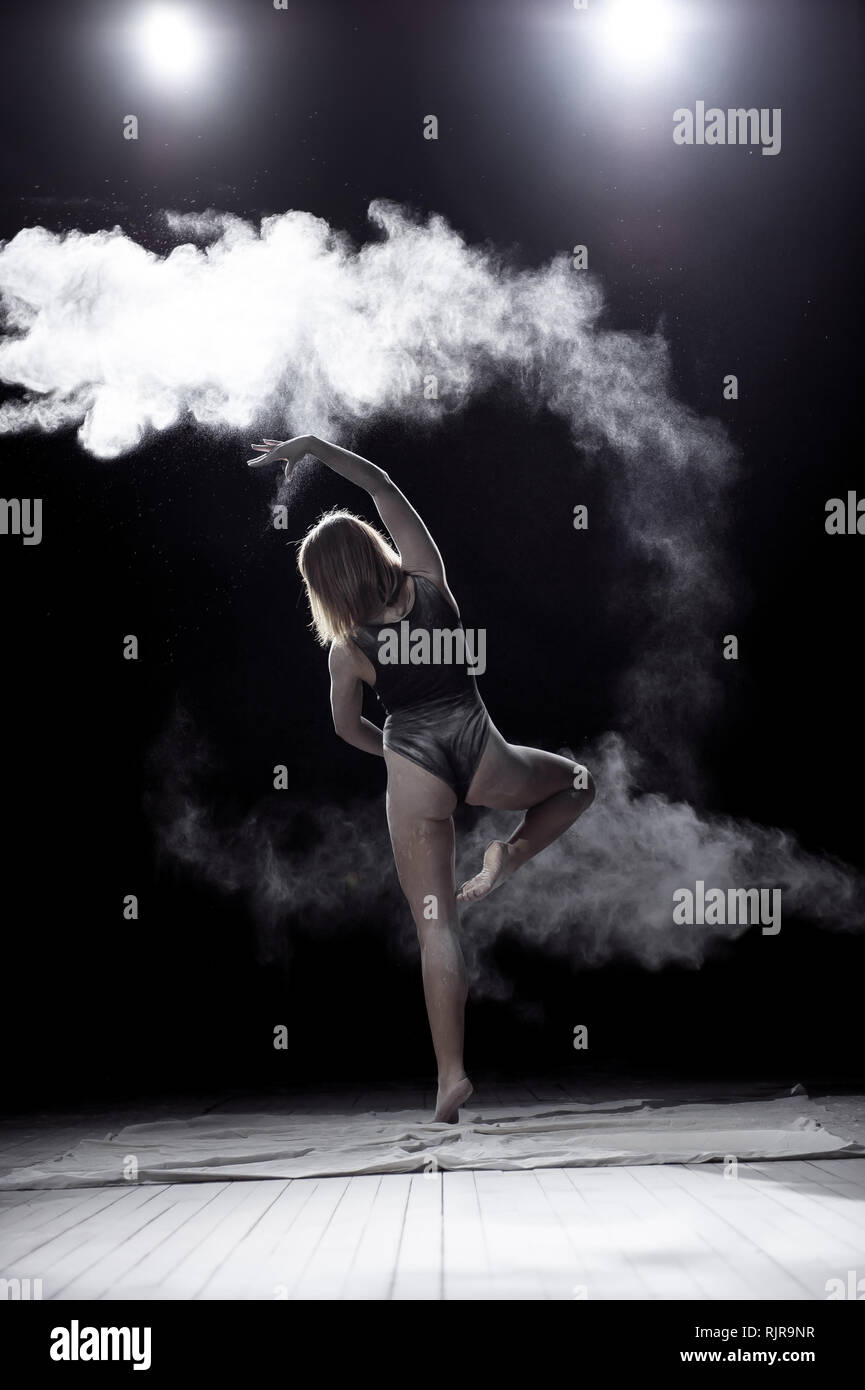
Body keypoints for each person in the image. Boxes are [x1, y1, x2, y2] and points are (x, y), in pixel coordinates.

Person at [248, 434, 596, 1122]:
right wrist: (314, 447)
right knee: (578, 782)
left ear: (321, 585)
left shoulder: (346, 652)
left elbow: (346, 730)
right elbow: (378, 484)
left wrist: (399, 752)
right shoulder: (428, 579)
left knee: (437, 927)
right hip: (483, 750)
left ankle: (448, 1081)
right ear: (374, 551)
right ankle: (513, 853)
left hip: (413, 773)